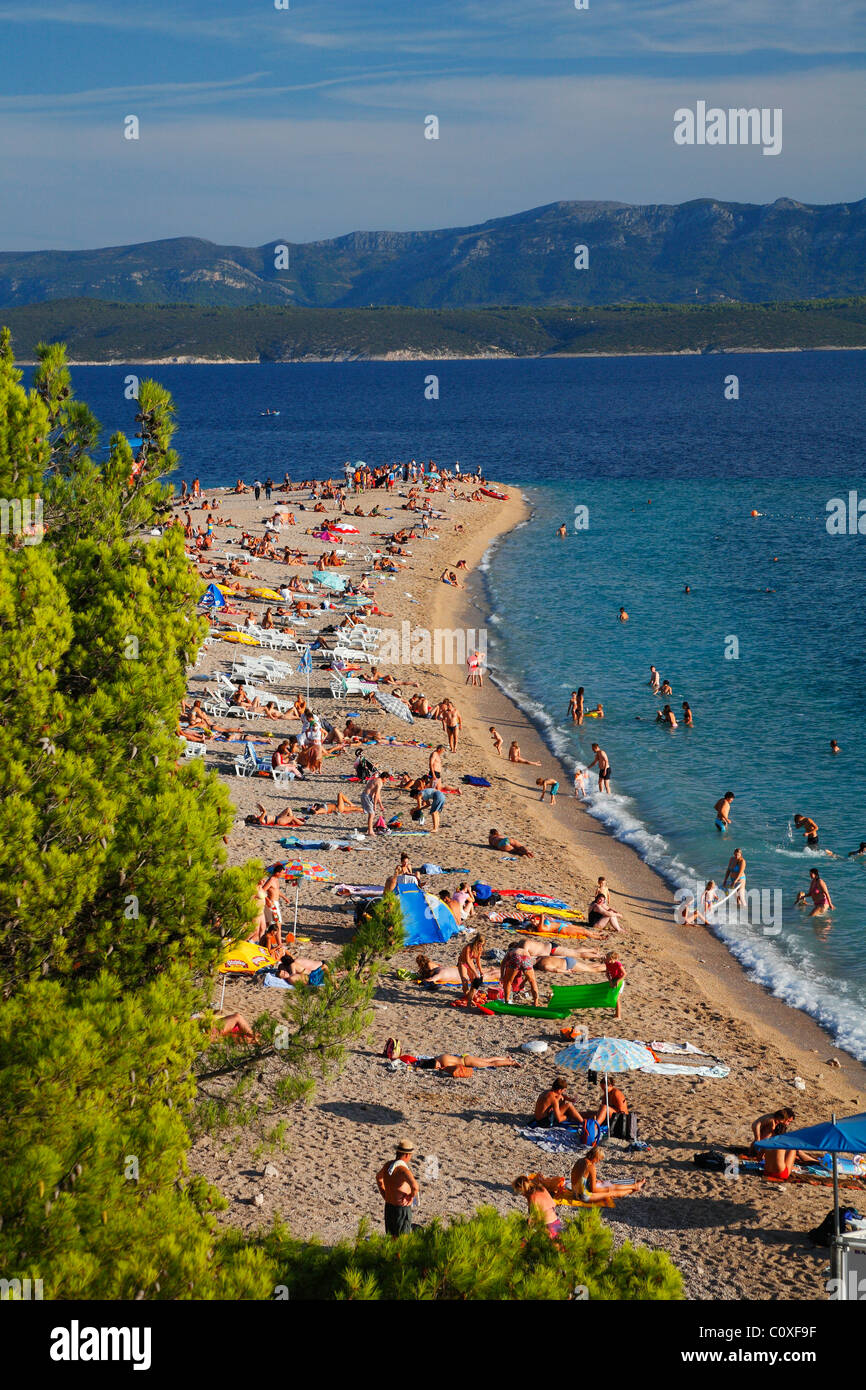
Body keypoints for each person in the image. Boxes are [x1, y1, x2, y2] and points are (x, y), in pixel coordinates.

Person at [569, 1147, 646, 1204]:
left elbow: (579, 1177)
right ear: (595, 1157)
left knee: (607, 1185)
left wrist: (596, 1183)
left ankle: (634, 1186)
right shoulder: (591, 1167)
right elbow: (594, 1190)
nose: (598, 1162)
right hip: (582, 1196)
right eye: (599, 1160)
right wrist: (607, 1189)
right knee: (611, 1192)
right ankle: (633, 1188)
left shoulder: (580, 1160)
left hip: (574, 1192)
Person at [375, 1140, 419, 1237]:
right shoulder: (403, 1170)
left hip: (389, 1206)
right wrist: (411, 1197)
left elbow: (378, 1178)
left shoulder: (387, 1165)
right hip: (401, 1209)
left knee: (391, 1237)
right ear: (407, 1155)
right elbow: (415, 1186)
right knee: (402, 1239)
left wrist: (384, 1194)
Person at [512, 1175, 564, 1241]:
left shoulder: (532, 1197)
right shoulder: (541, 1188)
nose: (521, 1194)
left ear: (522, 1189)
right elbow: (553, 1204)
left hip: (548, 1227)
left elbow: (533, 1218)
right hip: (556, 1223)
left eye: (519, 1192)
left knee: (524, 1240)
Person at [502, 942, 540, 1006]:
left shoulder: (511, 951)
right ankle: (536, 1002)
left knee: (508, 982)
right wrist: (524, 982)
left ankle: (506, 1001)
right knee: (533, 981)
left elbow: (503, 964)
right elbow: (529, 972)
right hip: (527, 958)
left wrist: (502, 976)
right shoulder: (524, 950)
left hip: (516, 958)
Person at [457, 933, 485, 1008]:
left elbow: (478, 961)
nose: (481, 946)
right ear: (476, 942)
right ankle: (468, 996)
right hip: (463, 962)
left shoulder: (480, 948)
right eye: (480, 944)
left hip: (470, 962)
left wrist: (480, 970)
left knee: (474, 980)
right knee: (464, 979)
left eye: (482, 944)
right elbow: (467, 960)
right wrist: (475, 972)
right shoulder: (468, 947)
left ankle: (470, 996)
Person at [361, 769, 390, 835]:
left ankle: (370, 829)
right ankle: (370, 831)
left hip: (366, 796)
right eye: (387, 779)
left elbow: (378, 795)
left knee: (372, 813)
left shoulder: (376, 780)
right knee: (372, 814)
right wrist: (375, 805)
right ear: (384, 778)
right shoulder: (379, 782)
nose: (387, 781)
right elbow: (376, 795)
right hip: (367, 796)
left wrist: (381, 805)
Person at [604, 951, 625, 1018]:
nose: (607, 960)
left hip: (620, 981)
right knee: (614, 998)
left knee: (617, 998)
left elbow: (624, 974)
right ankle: (616, 1014)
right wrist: (610, 981)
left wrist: (618, 981)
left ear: (613, 959)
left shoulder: (618, 964)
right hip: (613, 981)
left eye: (608, 959)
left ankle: (618, 1016)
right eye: (607, 958)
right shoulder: (608, 964)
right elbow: (607, 974)